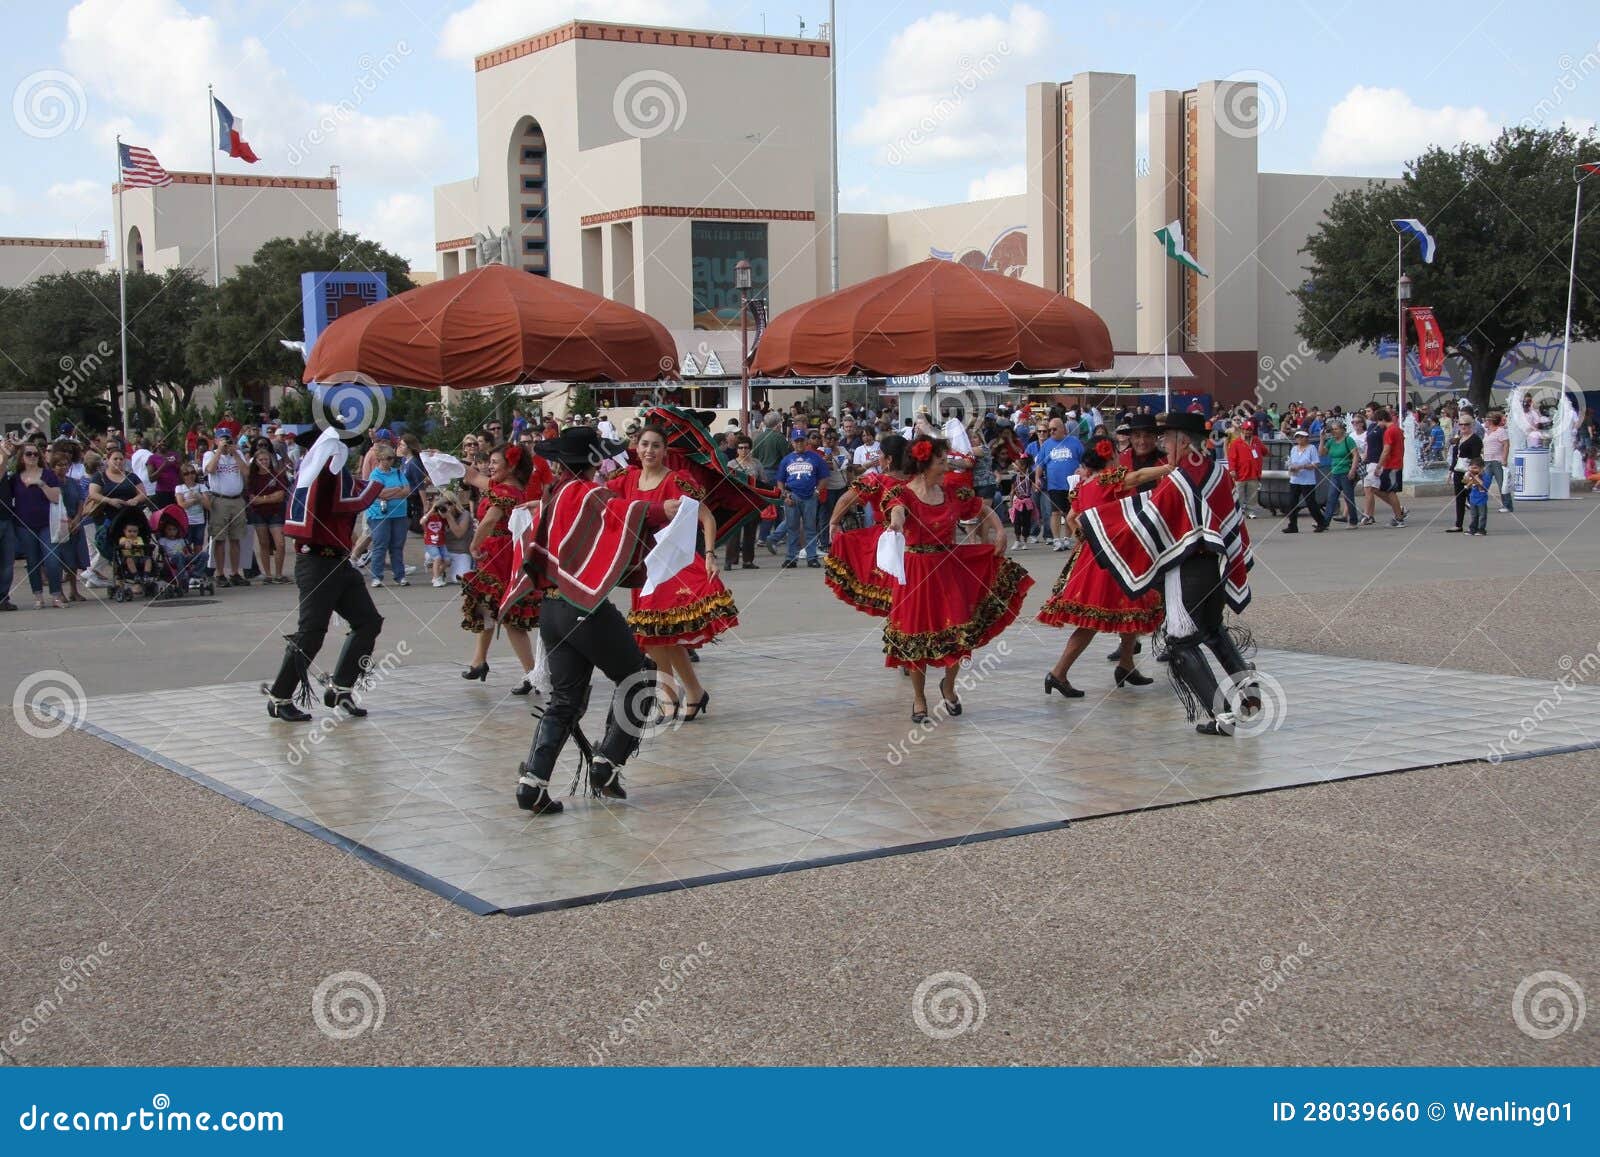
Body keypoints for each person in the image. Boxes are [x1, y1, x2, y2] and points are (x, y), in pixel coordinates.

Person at [515, 425, 684, 812]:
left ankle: (533, 784)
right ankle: (607, 763)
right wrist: (662, 510)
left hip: (552, 610)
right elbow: (622, 512)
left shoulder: (555, 496)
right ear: (593, 461)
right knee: (639, 677)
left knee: (565, 699)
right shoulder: (587, 493)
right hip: (581, 609)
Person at [1077, 412, 1257, 736]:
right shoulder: (1219, 473)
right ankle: (1247, 687)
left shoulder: (1179, 478)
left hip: (1190, 568)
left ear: (1183, 441)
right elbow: (1232, 520)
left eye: (1167, 439)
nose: (1164, 444)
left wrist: (1098, 522)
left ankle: (1223, 716)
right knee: (1213, 629)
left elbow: (1150, 518)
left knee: (1181, 642)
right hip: (1218, 564)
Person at [881, 435, 1033, 721]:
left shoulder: (951, 491)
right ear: (925, 464)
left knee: (959, 630)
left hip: (949, 565)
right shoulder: (904, 494)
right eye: (941, 460)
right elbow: (897, 514)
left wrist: (1000, 531)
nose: (947, 463)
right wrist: (896, 526)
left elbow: (983, 508)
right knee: (916, 635)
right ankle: (918, 698)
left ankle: (948, 686)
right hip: (916, 571)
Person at [606, 425, 736, 719]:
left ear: (665, 451)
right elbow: (596, 501)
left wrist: (710, 555)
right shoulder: (625, 480)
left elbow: (706, 517)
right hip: (642, 568)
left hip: (671, 567)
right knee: (657, 636)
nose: (649, 451)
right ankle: (691, 692)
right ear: (636, 448)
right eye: (644, 445)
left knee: (659, 635)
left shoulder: (677, 481)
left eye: (655, 446)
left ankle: (673, 695)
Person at [262, 422, 389, 722]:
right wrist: (381, 483)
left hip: (337, 561)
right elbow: (352, 502)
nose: (345, 450)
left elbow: (352, 495)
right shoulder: (321, 475)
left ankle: (341, 687)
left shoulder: (329, 474)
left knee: (367, 621)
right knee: (312, 632)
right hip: (317, 563)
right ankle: (279, 697)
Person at [1038, 438, 1172, 697]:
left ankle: (1126, 664)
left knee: (1131, 606)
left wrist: (1083, 537)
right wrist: (1171, 468)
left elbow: (1071, 518)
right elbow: (1141, 476)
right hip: (1111, 556)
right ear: (1110, 457)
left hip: (1095, 554)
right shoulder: (1109, 479)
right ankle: (1058, 673)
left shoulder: (1083, 487)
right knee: (1094, 618)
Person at [460, 445, 548, 694]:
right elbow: (473, 476)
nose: (490, 466)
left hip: (499, 554)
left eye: (495, 462)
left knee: (509, 617)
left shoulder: (506, 492)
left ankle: (532, 673)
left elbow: (489, 521)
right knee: (485, 605)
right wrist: (437, 460)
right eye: (490, 462)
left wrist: (474, 544)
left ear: (511, 467)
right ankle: (479, 661)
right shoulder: (503, 487)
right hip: (496, 553)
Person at [824, 434, 908, 617]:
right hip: (916, 543)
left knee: (893, 590)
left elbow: (846, 499)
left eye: (880, 455)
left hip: (888, 542)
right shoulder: (919, 482)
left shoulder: (877, 481)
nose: (878, 458)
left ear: (889, 459)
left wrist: (834, 522)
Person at [4, 441, 65, 608]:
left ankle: (56, 595)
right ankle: (38, 596)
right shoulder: (15, 478)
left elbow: (56, 497)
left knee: (52, 560)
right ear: (22, 457)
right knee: (32, 561)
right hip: (24, 525)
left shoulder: (48, 475)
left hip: (46, 524)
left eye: (35, 454)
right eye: (28, 454)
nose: (32, 457)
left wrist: (41, 484)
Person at [1029, 416, 1084, 551]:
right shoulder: (1047, 445)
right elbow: (1040, 465)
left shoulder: (1074, 442)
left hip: (1073, 484)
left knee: (1070, 513)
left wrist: (1084, 472)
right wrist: (1037, 479)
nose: (1051, 431)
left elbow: (1084, 460)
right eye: (1050, 429)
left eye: (1054, 429)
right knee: (1055, 512)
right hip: (1055, 485)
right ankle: (1056, 539)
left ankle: (1067, 539)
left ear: (1063, 429)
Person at [203, 427, 249, 585]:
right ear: (216, 440)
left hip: (237, 499)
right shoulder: (209, 454)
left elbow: (246, 472)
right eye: (222, 439)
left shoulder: (238, 454)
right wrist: (219, 451)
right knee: (220, 539)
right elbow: (209, 469)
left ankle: (235, 573)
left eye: (227, 439)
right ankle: (220, 573)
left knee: (236, 538)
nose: (225, 442)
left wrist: (235, 452)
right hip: (219, 499)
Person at [777, 431, 829, 569]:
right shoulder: (786, 459)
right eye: (796, 441)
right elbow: (780, 480)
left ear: (806, 441)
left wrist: (817, 491)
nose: (799, 443)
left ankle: (811, 557)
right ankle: (791, 558)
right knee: (792, 528)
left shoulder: (816, 458)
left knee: (810, 527)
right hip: (792, 496)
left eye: (801, 440)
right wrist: (784, 494)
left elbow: (824, 476)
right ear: (792, 442)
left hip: (810, 496)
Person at [365, 443, 412, 585]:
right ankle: (376, 576)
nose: (391, 461)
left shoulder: (398, 472)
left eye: (393, 458)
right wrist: (397, 490)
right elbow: (379, 494)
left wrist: (389, 493)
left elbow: (407, 490)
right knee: (380, 545)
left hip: (399, 514)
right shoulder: (375, 475)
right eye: (388, 458)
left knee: (397, 545)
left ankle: (400, 575)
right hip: (379, 515)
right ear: (380, 459)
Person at [244, 442, 289, 583]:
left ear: (271, 461)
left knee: (280, 543)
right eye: (261, 460)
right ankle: (268, 575)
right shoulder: (252, 478)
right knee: (264, 543)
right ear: (256, 462)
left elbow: (281, 495)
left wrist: (262, 499)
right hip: (258, 513)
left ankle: (279, 574)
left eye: (266, 460)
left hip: (275, 512)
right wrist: (270, 498)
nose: (264, 462)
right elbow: (252, 499)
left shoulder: (277, 475)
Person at [723, 436, 765, 570]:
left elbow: (763, 481)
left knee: (750, 533)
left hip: (752, 502)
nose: (743, 450)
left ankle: (748, 561)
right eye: (740, 447)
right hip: (735, 503)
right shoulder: (731, 464)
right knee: (733, 534)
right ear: (737, 449)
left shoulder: (756, 464)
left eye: (746, 447)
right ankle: (730, 560)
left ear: (750, 449)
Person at [1360, 409, 1407, 527]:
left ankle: (1399, 518)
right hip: (1397, 463)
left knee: (1391, 492)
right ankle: (1399, 514)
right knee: (1385, 490)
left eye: (1378, 422)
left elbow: (1386, 450)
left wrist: (1379, 466)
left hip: (1391, 464)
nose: (1378, 425)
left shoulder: (1388, 431)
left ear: (1382, 419)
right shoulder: (1397, 429)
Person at [1282, 430, 1328, 533]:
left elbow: (1315, 464)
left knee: (1311, 503)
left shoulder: (1311, 448)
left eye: (1302, 437)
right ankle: (1292, 525)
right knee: (1292, 503)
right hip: (1295, 479)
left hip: (1307, 481)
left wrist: (1302, 466)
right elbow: (1291, 462)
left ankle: (1321, 522)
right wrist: (1291, 467)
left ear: (1306, 438)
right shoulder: (1294, 449)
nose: (1300, 439)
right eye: (1298, 437)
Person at [1446, 414, 1483, 534]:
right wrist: (1450, 471)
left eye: (1465, 424)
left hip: (1469, 472)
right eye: (1460, 424)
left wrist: (1473, 473)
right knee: (1459, 498)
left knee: (1472, 498)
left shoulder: (1475, 439)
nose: (1463, 426)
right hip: (1458, 471)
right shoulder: (1459, 438)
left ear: (1471, 425)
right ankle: (1458, 524)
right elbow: (1454, 456)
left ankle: (1475, 525)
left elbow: (1476, 458)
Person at [1227, 424, 1264, 518]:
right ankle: (1237, 513)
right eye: (1246, 430)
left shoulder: (1256, 441)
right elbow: (1231, 458)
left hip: (1253, 473)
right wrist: (1232, 470)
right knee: (1239, 495)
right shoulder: (1236, 443)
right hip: (1240, 474)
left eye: (1250, 430)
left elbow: (1264, 451)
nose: (1248, 432)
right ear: (1242, 430)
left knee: (1253, 495)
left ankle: (1250, 512)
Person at [1482, 410, 1513, 513]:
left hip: (1497, 461)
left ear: (1490, 421)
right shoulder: (1486, 432)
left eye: (1486, 420)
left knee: (1502, 484)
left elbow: (1506, 444)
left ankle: (1507, 505)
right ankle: (1480, 503)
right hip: (1487, 460)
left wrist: (1504, 458)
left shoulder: (1500, 431)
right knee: (1484, 483)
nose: (1485, 421)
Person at [1463, 458, 1490, 536]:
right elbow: (1465, 482)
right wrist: (1467, 476)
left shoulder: (1486, 476)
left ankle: (1481, 529)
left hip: (1482, 499)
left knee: (1482, 515)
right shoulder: (1471, 475)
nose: (1473, 470)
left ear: (1481, 468)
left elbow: (1484, 486)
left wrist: (1476, 478)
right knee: (1474, 515)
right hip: (1473, 498)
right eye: (1471, 467)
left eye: (1475, 468)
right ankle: (1472, 528)